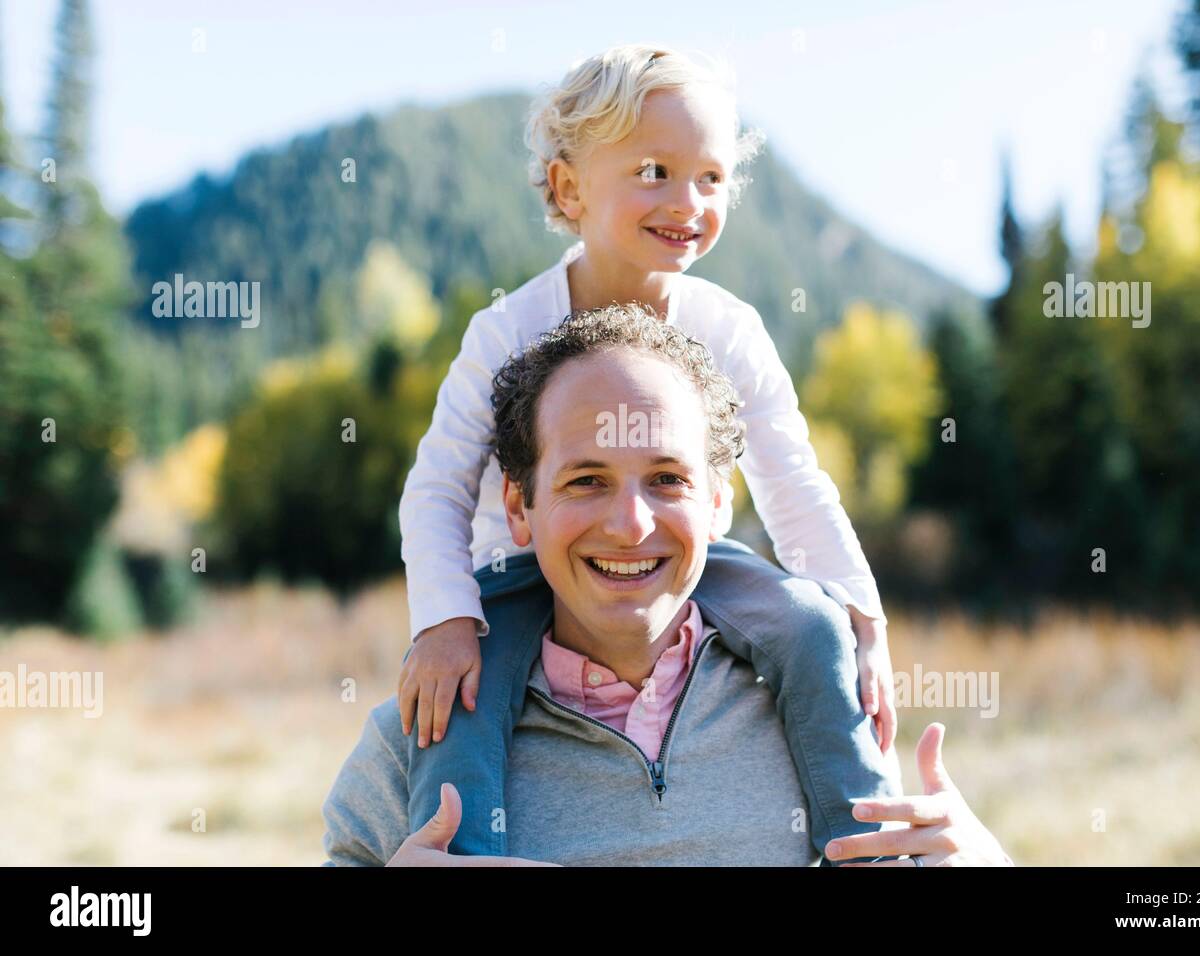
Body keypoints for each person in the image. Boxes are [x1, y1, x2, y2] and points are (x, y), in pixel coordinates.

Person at [395, 43, 904, 862]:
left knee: (814, 627)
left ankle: (866, 840)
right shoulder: (508, 329)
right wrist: (447, 619)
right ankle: (455, 852)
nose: (688, 202)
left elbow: (793, 483)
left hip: (687, 550)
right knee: (461, 699)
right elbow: (436, 492)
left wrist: (862, 618)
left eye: (709, 179)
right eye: (655, 171)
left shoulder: (729, 329)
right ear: (568, 187)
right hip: (527, 565)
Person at [323, 305, 1013, 867]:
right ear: (517, 508)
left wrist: (982, 864)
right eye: (585, 480)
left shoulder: (816, 704)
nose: (630, 524)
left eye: (667, 479)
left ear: (718, 504)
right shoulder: (423, 731)